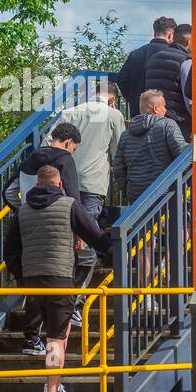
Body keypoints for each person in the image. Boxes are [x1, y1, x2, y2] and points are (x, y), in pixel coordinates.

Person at [2, 165, 110, 392]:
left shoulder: (22, 210)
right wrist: (113, 251)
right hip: (60, 279)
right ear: (59, 184)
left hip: (33, 281)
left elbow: (10, 251)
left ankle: (55, 382)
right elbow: (94, 236)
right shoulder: (69, 205)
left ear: (36, 185)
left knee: (57, 336)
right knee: (56, 339)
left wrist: (22, 278)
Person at [50, 82, 126, 264]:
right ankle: (82, 279)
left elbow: (49, 144)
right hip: (93, 183)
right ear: (112, 98)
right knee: (86, 231)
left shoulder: (69, 112)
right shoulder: (113, 115)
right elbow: (119, 151)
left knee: (70, 227)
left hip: (65, 181)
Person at [112, 90, 188, 202]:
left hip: (135, 194)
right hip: (163, 192)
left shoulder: (126, 134)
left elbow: (118, 167)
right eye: (164, 106)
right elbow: (182, 152)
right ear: (156, 108)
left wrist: (127, 189)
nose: (166, 110)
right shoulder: (167, 125)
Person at [4, 121, 80, 210]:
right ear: (68, 142)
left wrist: (22, 211)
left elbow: (8, 192)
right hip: (56, 218)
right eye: (73, 149)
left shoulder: (30, 158)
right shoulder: (65, 160)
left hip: (30, 219)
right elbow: (73, 197)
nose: (72, 153)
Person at [114, 17, 175, 115]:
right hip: (165, 115)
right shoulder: (174, 56)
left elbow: (122, 80)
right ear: (170, 35)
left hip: (139, 113)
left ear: (155, 33)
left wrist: (134, 99)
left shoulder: (135, 54)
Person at [146, 26, 192, 138]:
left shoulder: (154, 58)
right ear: (188, 42)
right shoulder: (186, 62)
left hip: (154, 117)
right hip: (178, 120)